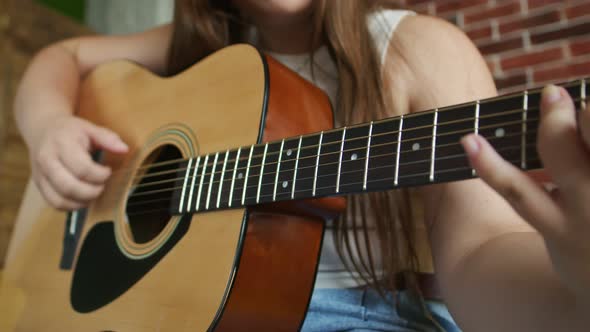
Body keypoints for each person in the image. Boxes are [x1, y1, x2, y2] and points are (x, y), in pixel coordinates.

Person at [13, 0, 589, 331]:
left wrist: (572, 286)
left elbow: (482, 253)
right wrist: (47, 127)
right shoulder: (202, 49)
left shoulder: (417, 50)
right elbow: (59, 57)